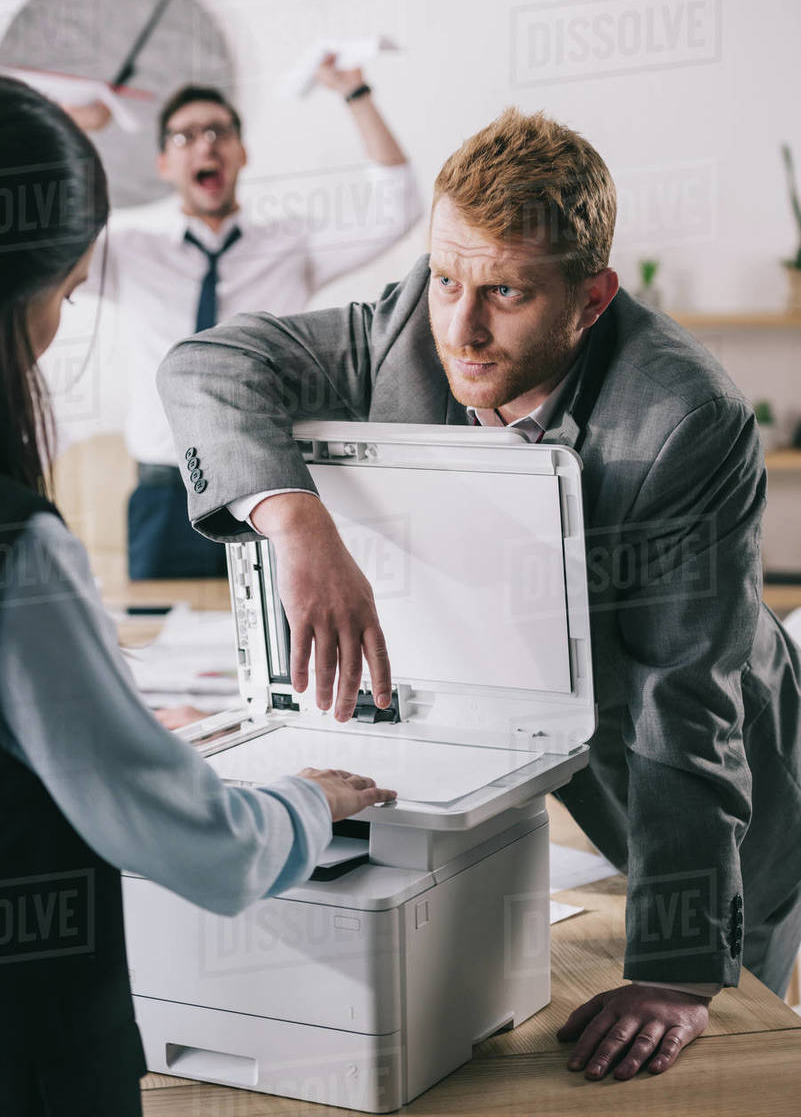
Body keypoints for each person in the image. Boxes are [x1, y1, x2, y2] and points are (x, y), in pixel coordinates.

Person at [158, 107, 801, 1083]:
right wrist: (295, 519)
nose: (458, 329)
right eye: (447, 279)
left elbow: (688, 698)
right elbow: (205, 366)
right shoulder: (406, 326)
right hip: (526, 723)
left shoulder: (683, 418)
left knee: (727, 1038)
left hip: (714, 756)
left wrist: (679, 974)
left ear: (592, 298)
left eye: (503, 292)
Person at [0, 74, 395, 1117]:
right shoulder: (21, 548)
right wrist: (313, 797)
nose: (69, 313)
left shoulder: (292, 240)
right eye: (67, 294)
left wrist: (88, 710)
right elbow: (188, 840)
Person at [66, 60, 422, 580]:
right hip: (165, 497)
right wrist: (70, 131)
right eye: (185, 137)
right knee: (165, 649)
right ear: (164, 163)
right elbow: (46, 239)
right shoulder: (127, 253)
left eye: (218, 132)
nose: (205, 144)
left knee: (279, 650)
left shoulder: (290, 245)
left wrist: (355, 91)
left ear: (241, 153)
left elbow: (399, 208)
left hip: (270, 490)